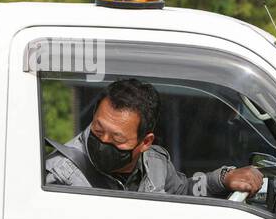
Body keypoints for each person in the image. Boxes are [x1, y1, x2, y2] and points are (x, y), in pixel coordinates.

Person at [45, 78, 264, 196]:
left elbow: (183, 191)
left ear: (146, 142)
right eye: (98, 130)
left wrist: (224, 179)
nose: (103, 142)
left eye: (117, 139)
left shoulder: (156, 163)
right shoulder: (60, 175)